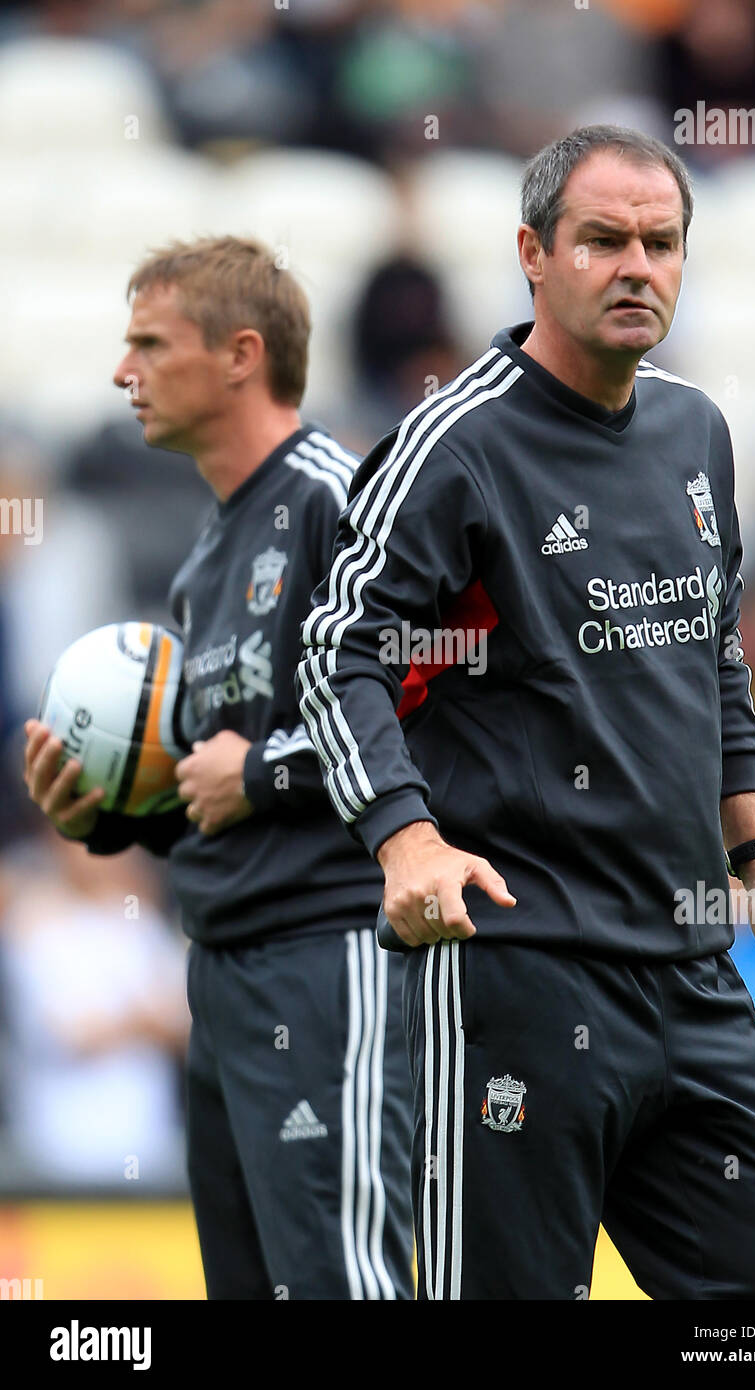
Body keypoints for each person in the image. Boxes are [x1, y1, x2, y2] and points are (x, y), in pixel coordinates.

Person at [296, 127, 755, 1301]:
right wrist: (405, 833)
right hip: (517, 975)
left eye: (659, 242)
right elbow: (338, 653)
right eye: (602, 241)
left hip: (692, 974)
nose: (635, 266)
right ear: (532, 254)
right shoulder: (456, 444)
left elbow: (715, 659)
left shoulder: (696, 432)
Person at [23, 236, 413, 1300]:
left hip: (334, 958)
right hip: (225, 973)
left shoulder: (347, 500)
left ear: (241, 355)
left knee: (345, 1281)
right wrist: (108, 819)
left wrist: (267, 772)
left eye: (148, 344)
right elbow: (215, 793)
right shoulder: (200, 564)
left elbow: (437, 718)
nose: (121, 372)